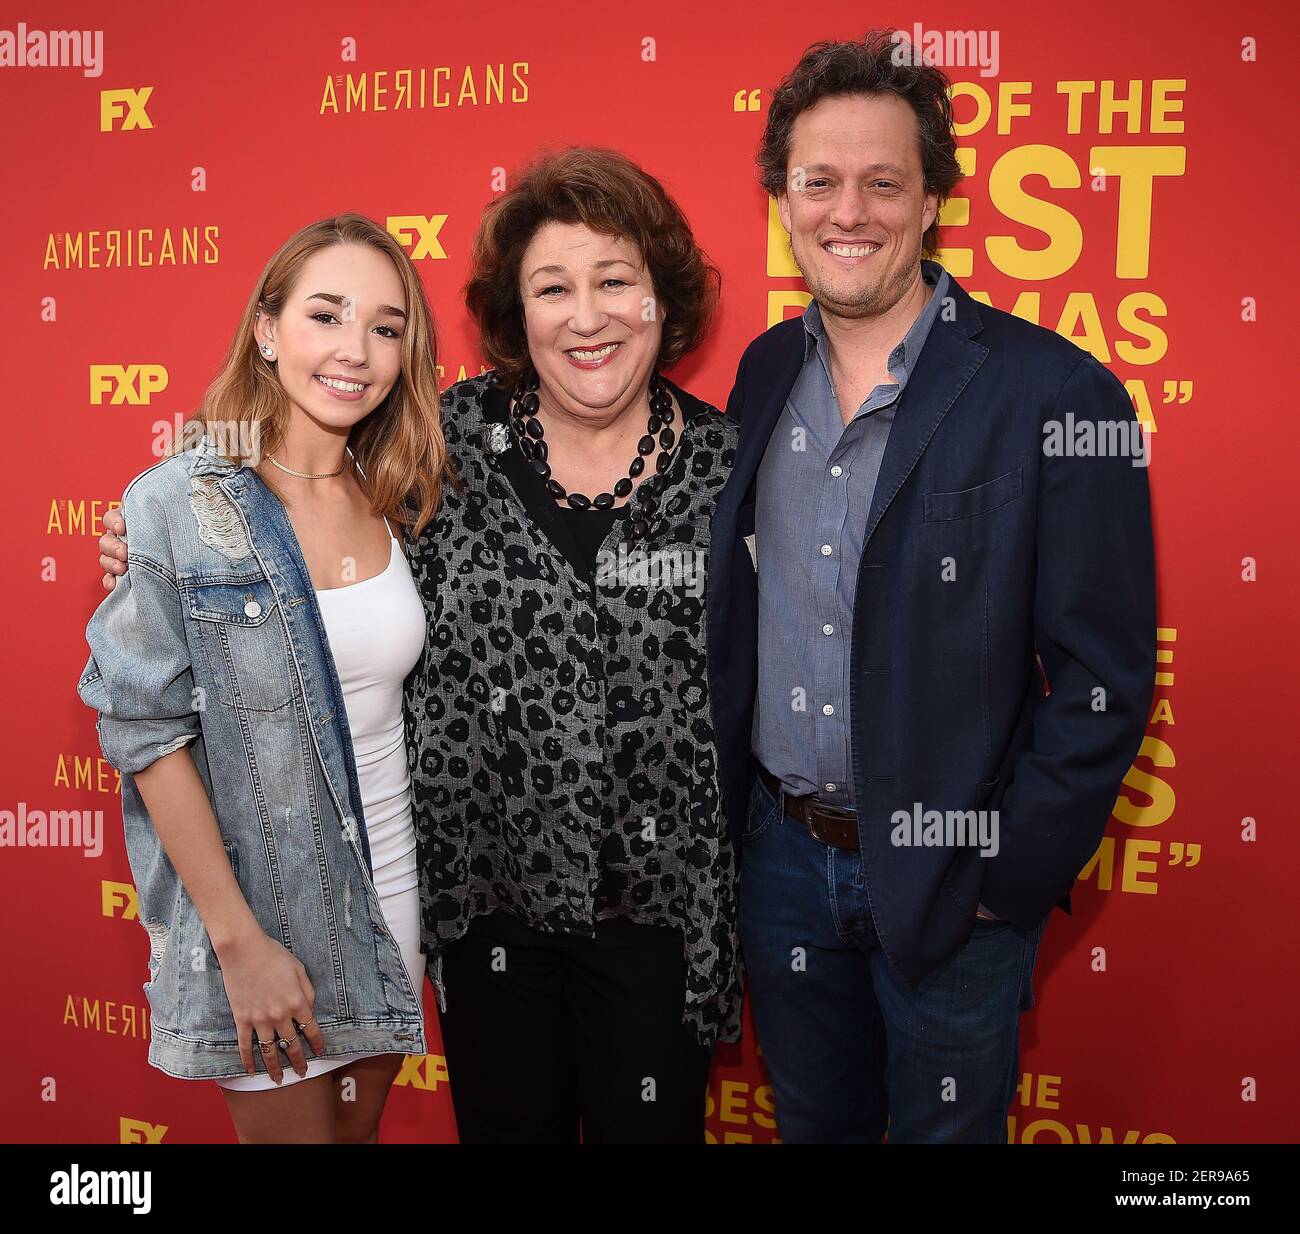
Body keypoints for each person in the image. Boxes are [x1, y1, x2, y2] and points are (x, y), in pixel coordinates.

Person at [102, 148, 745, 1144]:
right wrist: (145, 541)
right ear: (516, 313)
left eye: (616, 281)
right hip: (480, 907)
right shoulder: (451, 445)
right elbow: (228, 542)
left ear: (663, 298)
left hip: (654, 915)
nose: (586, 315)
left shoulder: (729, 466)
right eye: (552, 287)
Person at [708, 31, 1156, 1143]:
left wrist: (1006, 877)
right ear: (782, 200)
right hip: (779, 866)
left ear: (933, 201)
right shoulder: (762, 373)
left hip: (957, 878)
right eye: (818, 182)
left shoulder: (1057, 391)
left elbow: (1103, 678)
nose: (847, 211)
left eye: (882, 182)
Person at [82, 212, 451, 1143]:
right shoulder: (178, 502)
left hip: (392, 888)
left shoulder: (400, 493)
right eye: (326, 315)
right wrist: (237, 942)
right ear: (267, 330)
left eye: (385, 326)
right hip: (259, 906)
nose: (355, 349)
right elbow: (146, 734)